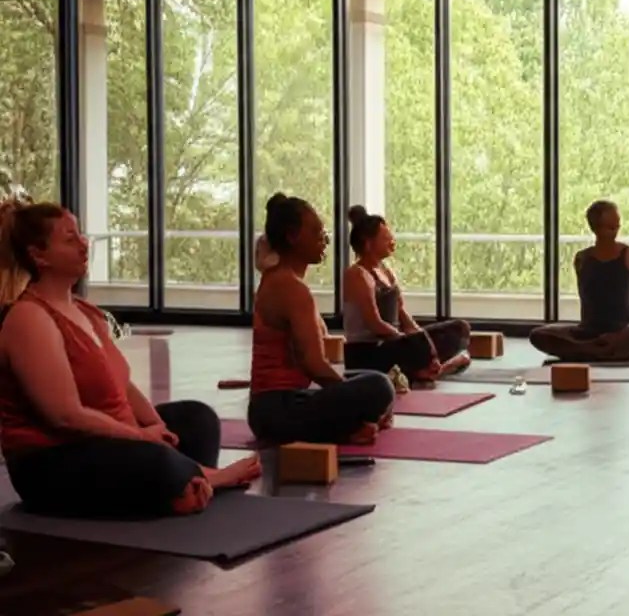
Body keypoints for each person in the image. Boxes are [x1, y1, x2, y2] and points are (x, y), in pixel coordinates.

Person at [0, 200, 260, 519]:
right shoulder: (29, 318)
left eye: (81, 235)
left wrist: (156, 427)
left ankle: (185, 484)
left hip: (109, 441)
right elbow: (64, 416)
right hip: (54, 460)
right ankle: (197, 479)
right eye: (70, 239)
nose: (84, 244)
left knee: (197, 419)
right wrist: (142, 438)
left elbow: (123, 384)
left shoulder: (86, 312)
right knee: (155, 461)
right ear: (38, 255)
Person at [249, 193, 395, 445]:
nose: (324, 239)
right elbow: (314, 365)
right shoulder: (291, 288)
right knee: (379, 386)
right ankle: (351, 426)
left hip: (273, 409)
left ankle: (351, 427)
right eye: (316, 231)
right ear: (292, 236)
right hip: (280, 411)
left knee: (366, 379)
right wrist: (354, 400)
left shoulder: (278, 280)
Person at [343, 205, 471, 387]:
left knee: (460, 330)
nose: (392, 242)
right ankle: (433, 370)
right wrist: (409, 341)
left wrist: (423, 339)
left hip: (396, 343)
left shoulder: (386, 271)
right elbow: (375, 324)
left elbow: (402, 313)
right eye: (386, 238)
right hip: (369, 351)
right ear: (368, 243)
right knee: (416, 344)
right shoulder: (356, 274)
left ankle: (422, 371)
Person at [530, 200, 629, 363]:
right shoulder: (582, 259)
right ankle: (602, 349)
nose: (615, 231)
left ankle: (590, 350)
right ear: (595, 228)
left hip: (623, 329)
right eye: (610, 227)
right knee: (539, 335)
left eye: (617, 226)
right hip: (588, 330)